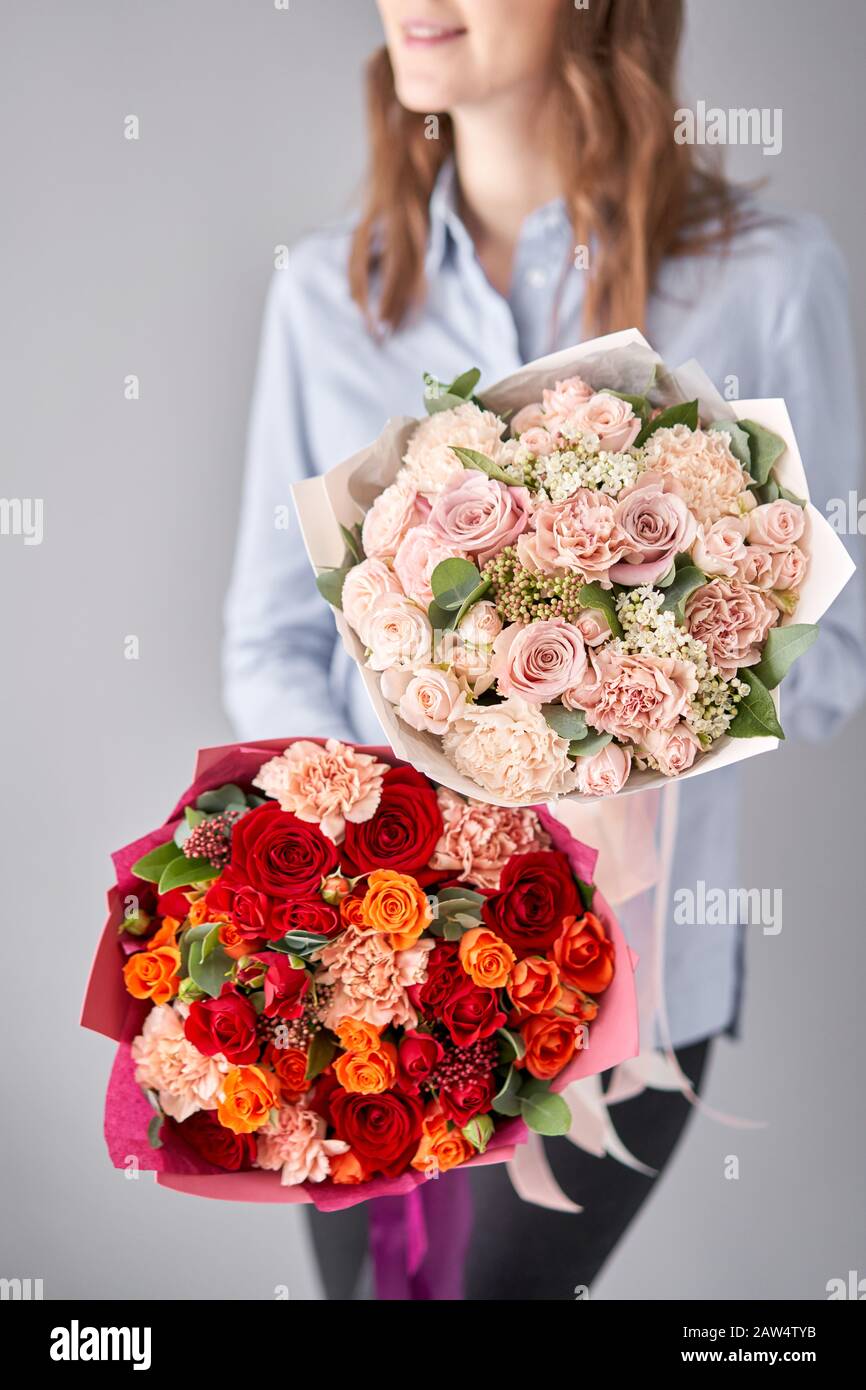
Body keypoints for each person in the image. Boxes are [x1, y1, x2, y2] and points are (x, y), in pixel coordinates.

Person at [223, 0, 866, 1299]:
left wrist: (632, 689)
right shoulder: (329, 293)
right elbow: (271, 636)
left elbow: (836, 649)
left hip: (631, 991)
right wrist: (399, 796)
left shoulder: (767, 277)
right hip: (381, 960)